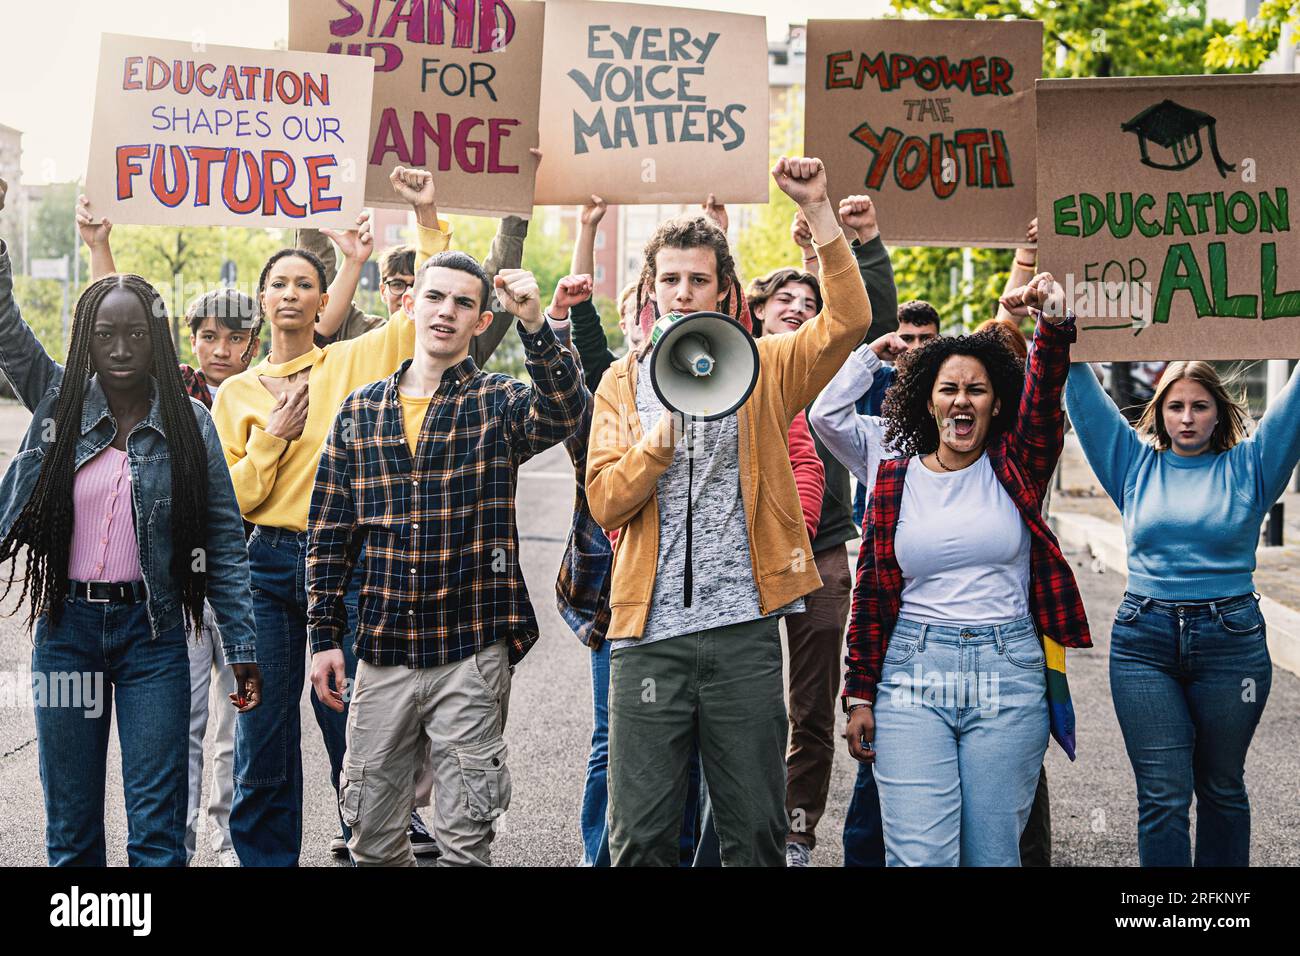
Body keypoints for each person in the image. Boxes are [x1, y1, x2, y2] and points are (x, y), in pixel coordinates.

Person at [586, 156, 873, 867]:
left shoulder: (767, 365)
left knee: (754, 832)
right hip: (649, 637)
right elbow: (605, 500)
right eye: (671, 280)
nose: (685, 293)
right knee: (642, 836)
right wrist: (659, 440)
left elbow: (850, 320)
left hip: (743, 631)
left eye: (699, 280)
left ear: (724, 290)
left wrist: (820, 207)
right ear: (652, 289)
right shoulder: (622, 382)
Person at [0, 184, 260, 866]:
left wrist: (244, 647)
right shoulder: (57, 401)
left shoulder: (189, 424)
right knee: (72, 831)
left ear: (158, 339)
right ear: (88, 336)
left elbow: (227, 546)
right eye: (106, 333)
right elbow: (5, 327)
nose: (120, 348)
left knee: (156, 831)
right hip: (67, 634)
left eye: (136, 333)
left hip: (154, 640)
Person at [306, 253, 583, 866]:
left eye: (463, 303)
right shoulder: (360, 410)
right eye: (435, 297)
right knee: (372, 841)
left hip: (471, 649)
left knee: (464, 842)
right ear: (410, 304)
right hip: (382, 650)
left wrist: (536, 327)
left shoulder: (500, 405)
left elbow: (567, 410)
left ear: (482, 321)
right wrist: (324, 636)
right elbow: (329, 531)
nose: (446, 312)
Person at [211, 166, 450, 867]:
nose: (290, 293)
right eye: (278, 283)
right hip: (264, 571)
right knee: (263, 739)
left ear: (323, 303)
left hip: (342, 568)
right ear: (261, 301)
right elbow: (234, 500)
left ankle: (369, 843)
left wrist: (424, 213)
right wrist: (272, 439)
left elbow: (425, 311)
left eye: (304, 285)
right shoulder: (236, 395)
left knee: (353, 726)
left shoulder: (347, 363)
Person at [842, 274, 1092, 866]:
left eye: (976, 390)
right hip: (910, 678)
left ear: (996, 402)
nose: (961, 400)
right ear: (927, 400)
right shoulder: (894, 479)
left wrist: (1052, 326)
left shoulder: (1017, 464)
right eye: (948, 389)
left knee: (992, 857)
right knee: (920, 857)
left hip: (1008, 675)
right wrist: (858, 693)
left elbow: (1045, 395)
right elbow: (873, 591)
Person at [76, 199, 261, 866]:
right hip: (172, 586)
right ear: (188, 340)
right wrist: (101, 246)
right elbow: (117, 319)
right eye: (208, 336)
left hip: (242, 575)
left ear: (255, 343)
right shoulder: (171, 392)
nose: (221, 349)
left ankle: (228, 838)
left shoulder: (274, 391)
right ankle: (175, 843)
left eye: (236, 338)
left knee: (237, 726)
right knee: (178, 728)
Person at [1066, 357, 1299, 865]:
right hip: (1143, 644)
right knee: (1162, 796)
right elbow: (1084, 399)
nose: (1187, 417)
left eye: (1199, 406)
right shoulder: (1132, 463)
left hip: (1231, 644)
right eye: (1176, 406)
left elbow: (1293, 406)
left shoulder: (1253, 466)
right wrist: (1058, 330)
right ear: (1160, 413)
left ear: (1220, 413)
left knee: (1221, 787)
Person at [851, 299, 941, 527]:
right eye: (907, 338)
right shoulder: (872, 380)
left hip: (934, 503)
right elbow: (831, 400)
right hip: (878, 504)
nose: (916, 346)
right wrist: (871, 354)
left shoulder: (950, 388)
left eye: (926, 338)